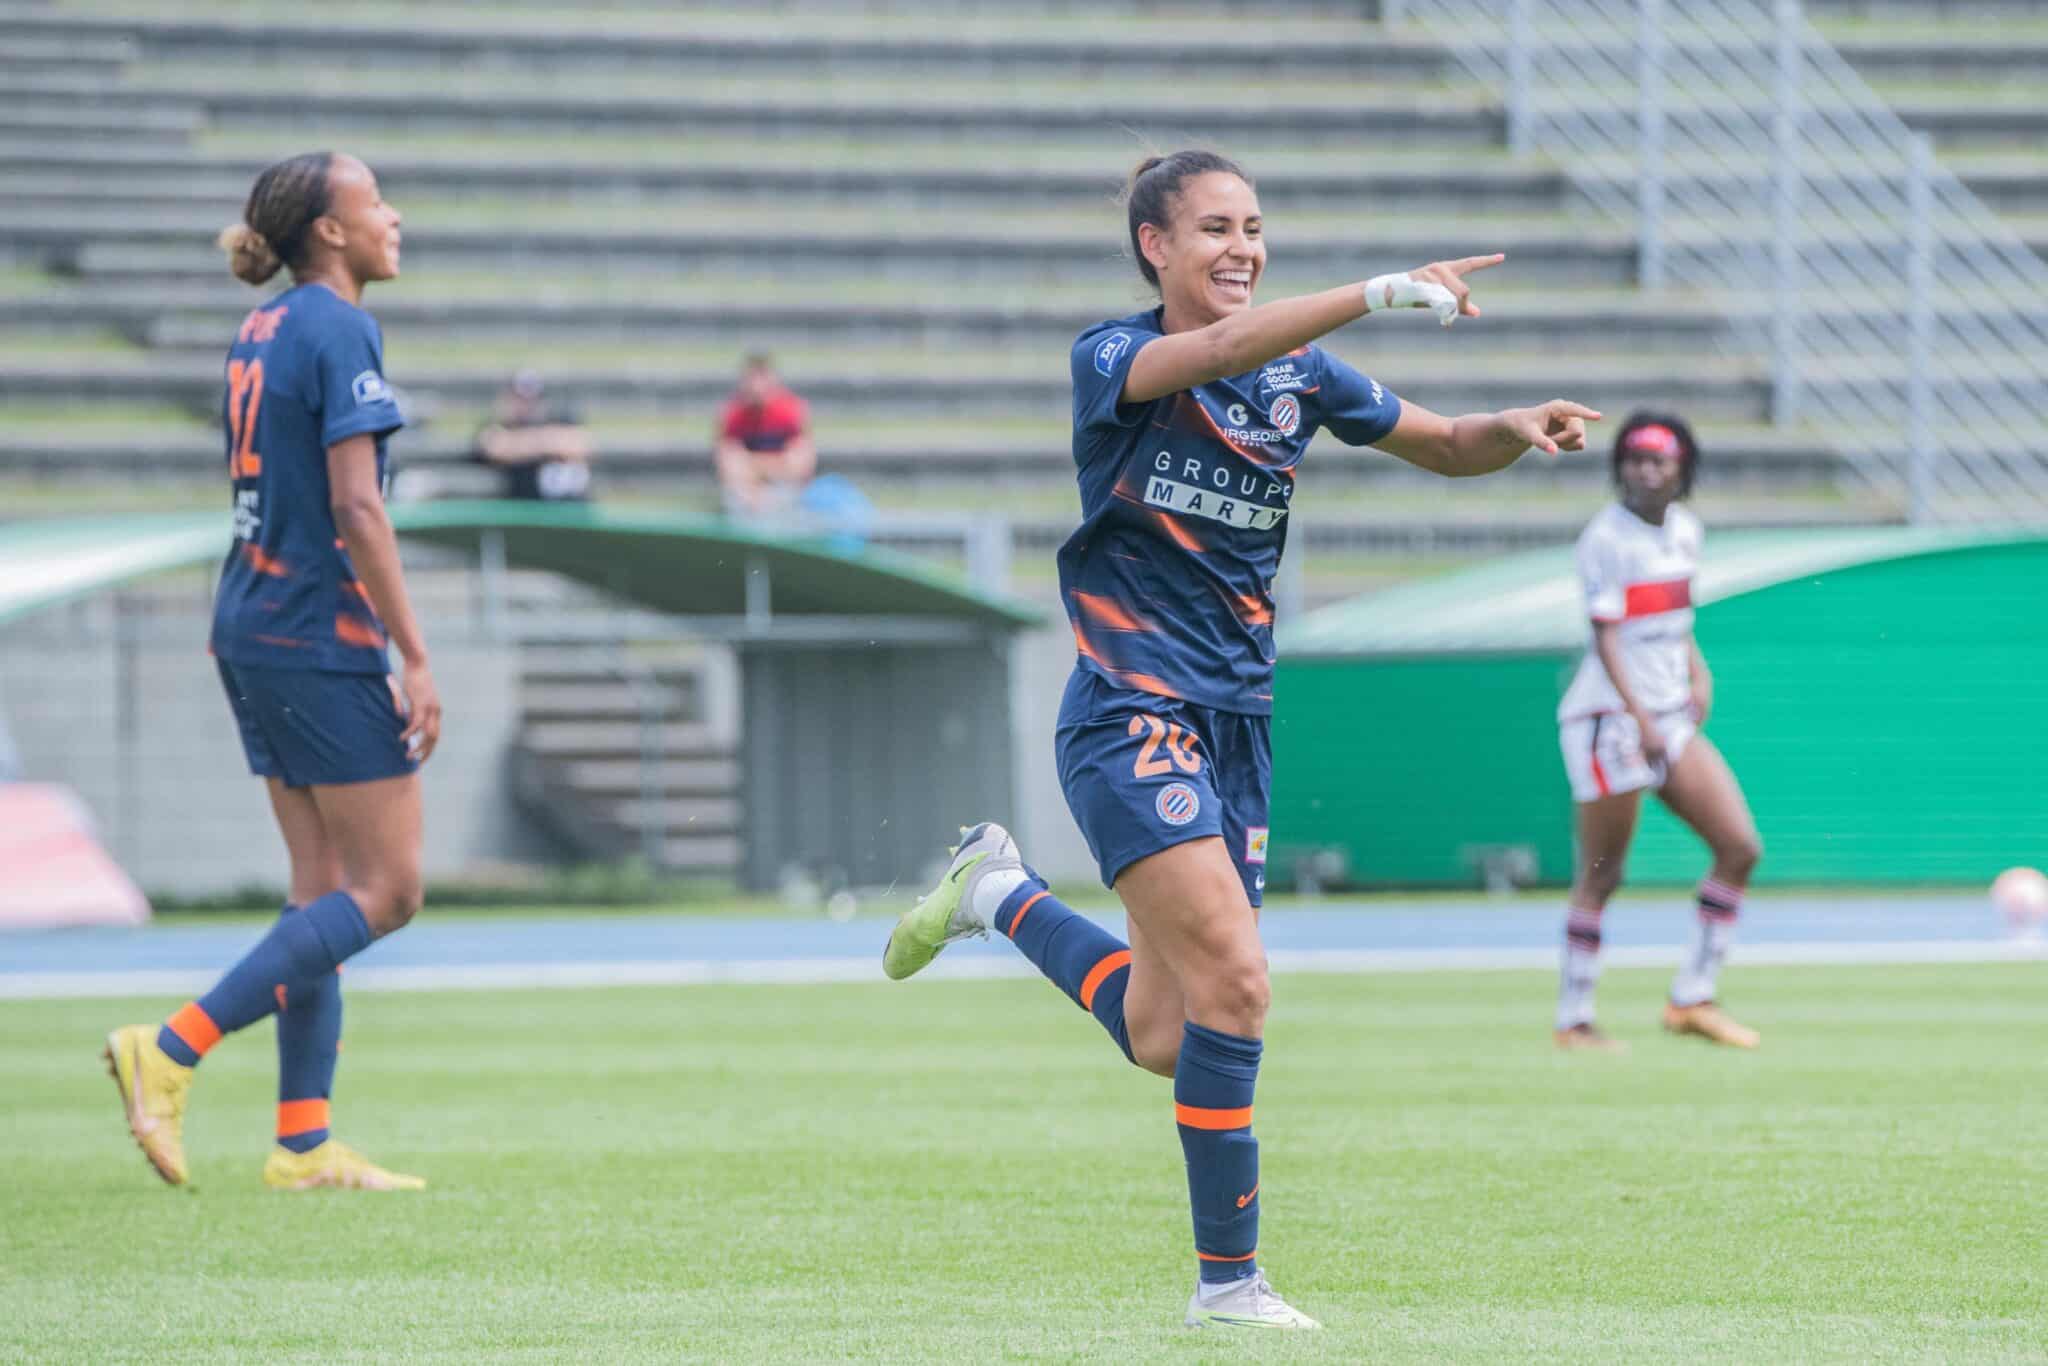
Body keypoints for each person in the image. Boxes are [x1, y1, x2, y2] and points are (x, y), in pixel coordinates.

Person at [880, 149, 1599, 1331]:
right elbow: (1216, 352)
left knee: (1169, 1033)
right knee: (1241, 986)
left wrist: (1512, 425)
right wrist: (1376, 290)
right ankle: (1229, 1285)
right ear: (1154, 247)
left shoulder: (1298, 377)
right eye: (1214, 227)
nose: (1242, 247)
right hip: (1127, 709)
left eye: (1254, 226)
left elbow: (1446, 442)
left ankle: (997, 894)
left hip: (1235, 726)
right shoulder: (1111, 359)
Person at [103, 151, 441, 1192]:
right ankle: (171, 1048)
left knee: (321, 891)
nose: (393, 215)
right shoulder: (339, 326)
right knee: (389, 892)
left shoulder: (261, 327)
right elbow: (356, 506)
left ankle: (302, 1140)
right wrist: (416, 653)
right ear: (330, 233)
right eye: (373, 200)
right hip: (313, 630)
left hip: (248, 617)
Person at [1553, 413, 1764, 1053]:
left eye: (1660, 459)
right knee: (1602, 871)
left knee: (1740, 846)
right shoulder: (1605, 540)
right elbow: (1607, 637)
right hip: (1609, 720)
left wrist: (1698, 673)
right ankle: (1575, 1018)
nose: (1646, 469)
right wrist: (1640, 718)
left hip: (1668, 715)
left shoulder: (1687, 532)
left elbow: (1673, 622)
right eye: (1635, 458)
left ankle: (1691, 999)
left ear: (1682, 470)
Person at [714, 352, 815, 518]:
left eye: (762, 379)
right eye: (752, 380)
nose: (757, 387)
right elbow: (729, 467)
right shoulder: (732, 415)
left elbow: (800, 467)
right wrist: (774, 466)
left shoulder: (791, 412)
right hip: (747, 493)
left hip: (783, 490)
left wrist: (752, 464)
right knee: (737, 500)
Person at [472, 368, 595, 501]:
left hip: (567, 508)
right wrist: (548, 443)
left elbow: (582, 445)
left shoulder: (560, 419)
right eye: (519, 398)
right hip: (519, 508)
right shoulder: (497, 424)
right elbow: (495, 447)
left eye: (531, 399)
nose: (525, 405)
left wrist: (522, 444)